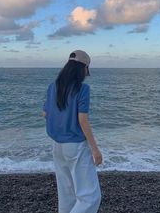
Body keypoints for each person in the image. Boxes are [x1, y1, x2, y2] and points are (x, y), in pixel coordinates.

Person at [42, 50, 102, 213]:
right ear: (83, 68)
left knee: (66, 195)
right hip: (75, 146)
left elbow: (45, 113)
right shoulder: (82, 89)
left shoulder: (53, 87)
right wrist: (95, 149)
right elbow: (82, 120)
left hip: (57, 145)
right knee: (90, 197)